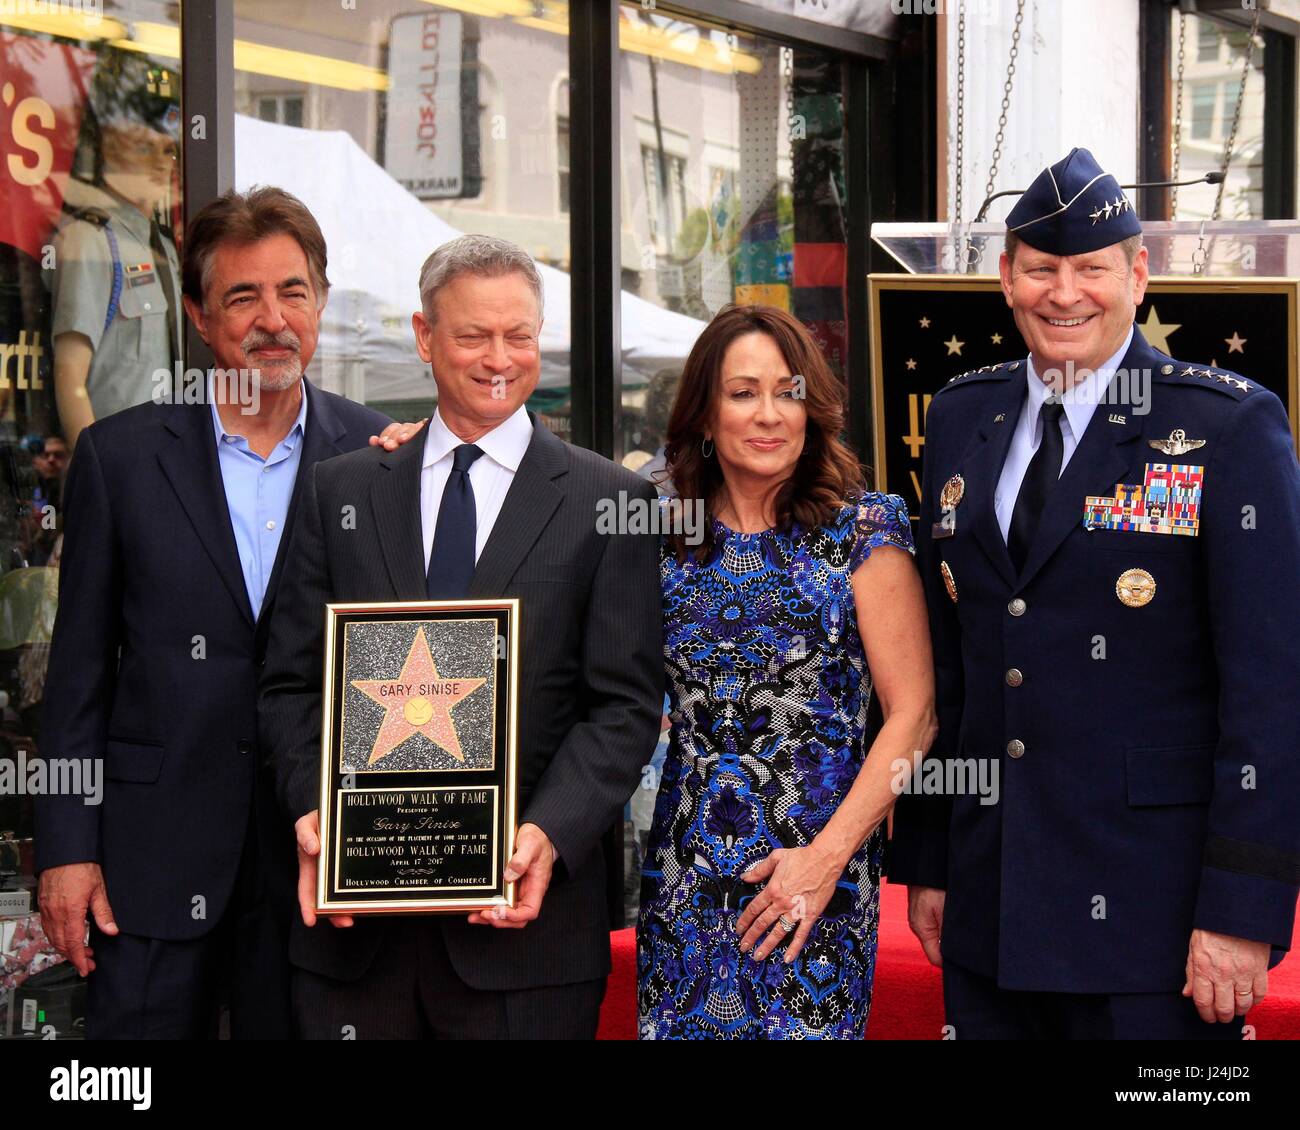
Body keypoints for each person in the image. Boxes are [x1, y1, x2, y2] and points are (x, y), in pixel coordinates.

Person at [890, 148, 1300, 1039]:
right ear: (1006, 279)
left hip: (1159, 920)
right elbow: (952, 662)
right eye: (1040, 269)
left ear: (1138, 276)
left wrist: (1243, 907)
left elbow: (1272, 691)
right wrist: (931, 856)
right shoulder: (965, 414)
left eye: (1090, 269)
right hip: (993, 902)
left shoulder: (1224, 426)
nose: (1063, 292)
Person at [34, 186, 420, 1039]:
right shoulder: (120, 459)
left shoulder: (382, 460)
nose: (272, 318)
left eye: (292, 292)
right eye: (243, 297)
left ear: (320, 303)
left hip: (316, 862)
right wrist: (66, 849)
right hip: (149, 857)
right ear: (203, 320)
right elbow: (80, 678)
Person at [258, 234, 664, 1040]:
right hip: (356, 949)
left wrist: (548, 834)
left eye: (518, 335)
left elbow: (623, 708)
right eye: (474, 335)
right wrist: (313, 811)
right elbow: (291, 684)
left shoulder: (609, 501)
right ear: (424, 336)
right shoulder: (339, 490)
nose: (498, 359)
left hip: (527, 949)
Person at [637, 304, 937, 1039]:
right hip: (683, 875)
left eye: (788, 391)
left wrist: (825, 860)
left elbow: (915, 715)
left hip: (819, 876)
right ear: (704, 416)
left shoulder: (864, 530)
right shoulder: (657, 530)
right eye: (743, 393)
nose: (769, 414)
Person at [47, 66, 184, 448]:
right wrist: (94, 474)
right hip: (117, 467)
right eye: (144, 147)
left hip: (170, 462)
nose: (160, 163)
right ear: (111, 149)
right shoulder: (89, 240)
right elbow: (69, 373)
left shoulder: (164, 248)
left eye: (168, 150)